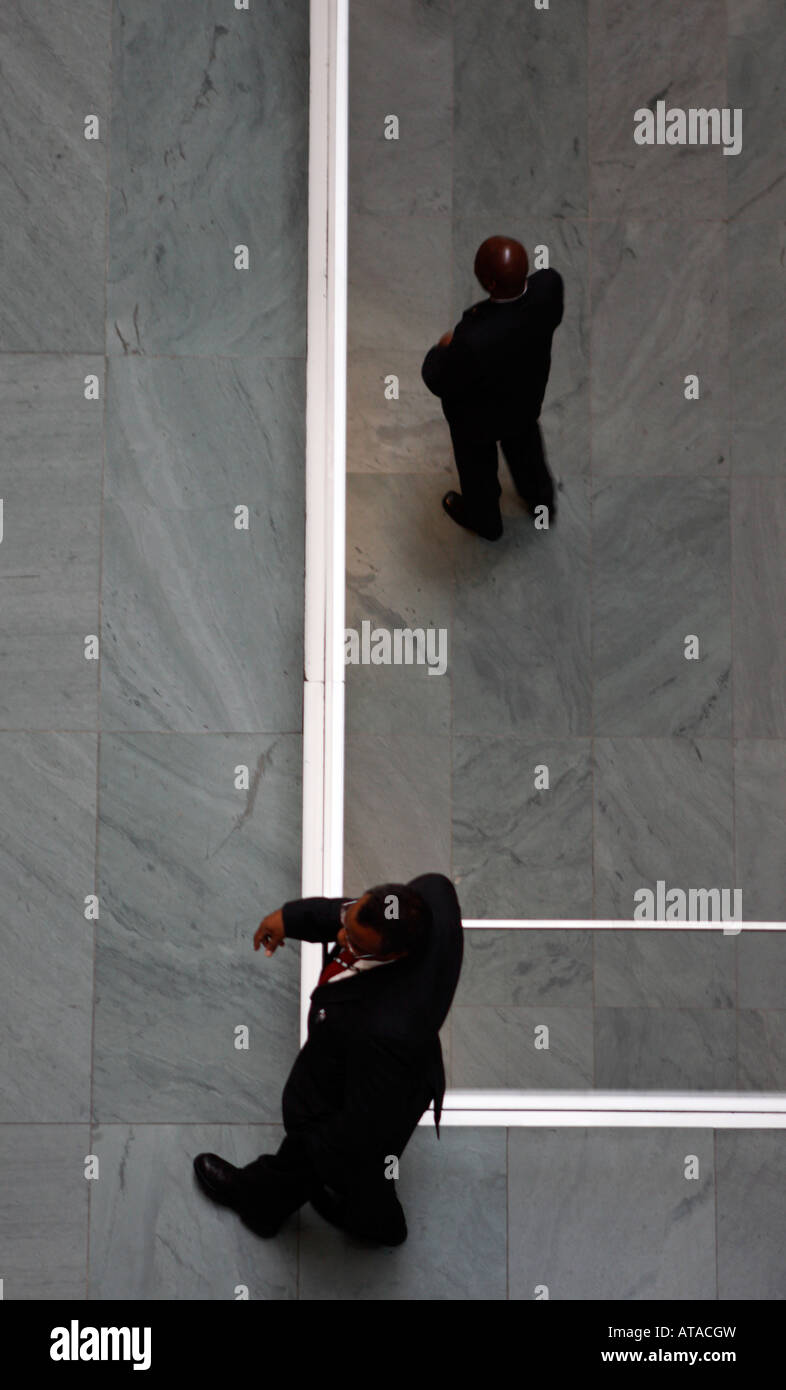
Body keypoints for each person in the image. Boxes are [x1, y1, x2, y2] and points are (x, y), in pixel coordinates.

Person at [193, 873, 463, 1246]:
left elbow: (358, 1127)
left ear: (395, 954)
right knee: (371, 1171)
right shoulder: (430, 898)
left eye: (355, 944)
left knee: (318, 1157)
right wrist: (290, 918)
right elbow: (358, 916)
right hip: (395, 1080)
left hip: (371, 1094)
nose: (340, 940)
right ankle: (379, 1222)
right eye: (348, 922)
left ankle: (260, 1203)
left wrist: (312, 1147)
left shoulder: (387, 1030)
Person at [422, 234, 564, 540]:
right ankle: (542, 502)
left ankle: (485, 521)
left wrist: (442, 348)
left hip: (478, 421)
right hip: (525, 404)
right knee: (527, 452)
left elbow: (438, 379)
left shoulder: (473, 338)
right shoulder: (549, 287)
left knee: (478, 471)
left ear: (491, 284)